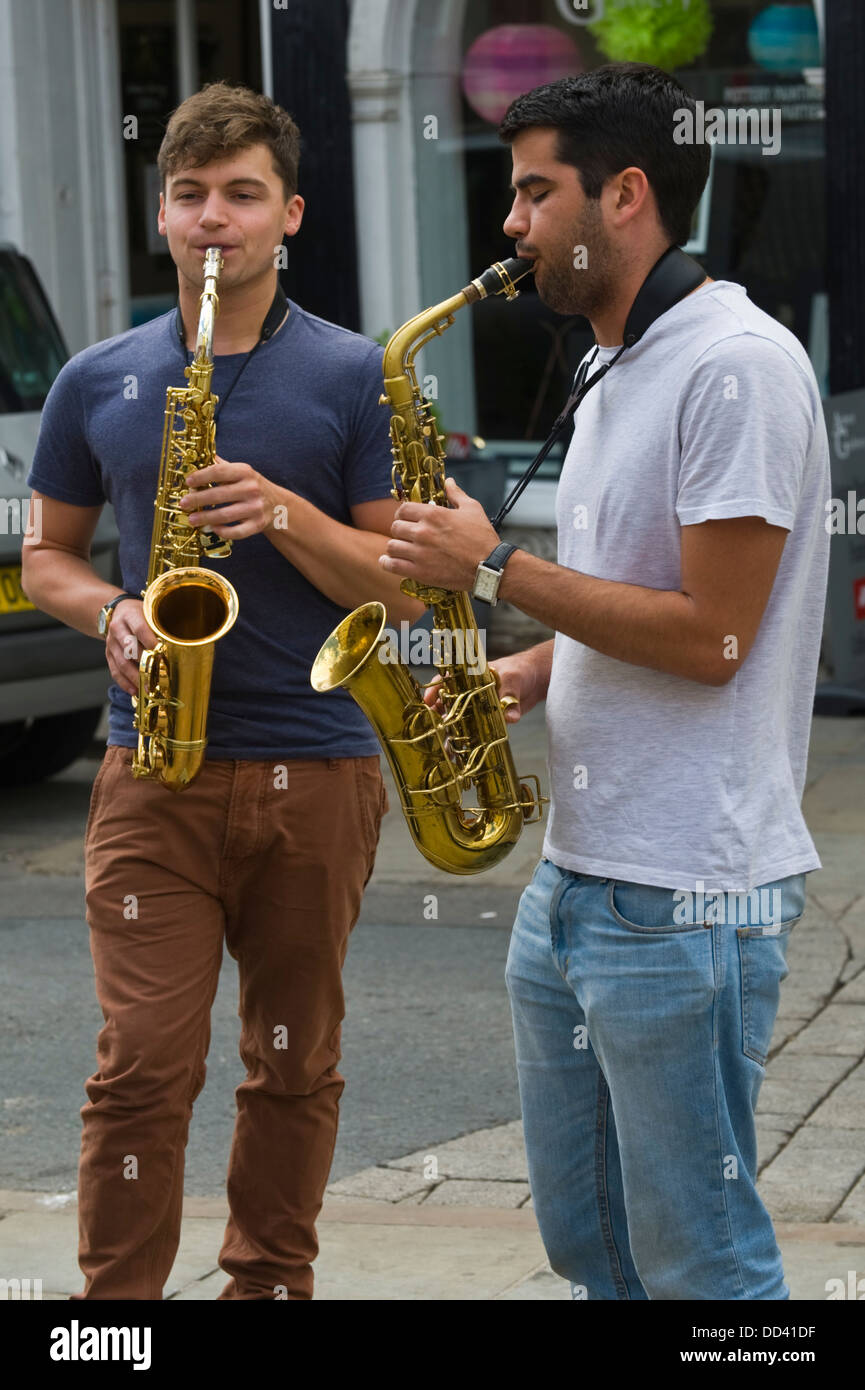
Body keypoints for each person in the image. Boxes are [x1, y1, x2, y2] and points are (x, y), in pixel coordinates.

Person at [380, 63, 830, 1300]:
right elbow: (641, 601)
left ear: (624, 195)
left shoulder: (733, 365)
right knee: (595, 1246)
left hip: (686, 891)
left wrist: (500, 566)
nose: (509, 226)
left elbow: (715, 638)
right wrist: (529, 671)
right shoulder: (619, 360)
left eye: (534, 194)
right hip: (582, 873)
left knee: (704, 1263)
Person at [22, 81, 422, 1301]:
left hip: (319, 762)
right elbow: (48, 555)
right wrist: (115, 609)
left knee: (292, 1065)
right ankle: (115, 1321)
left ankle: (267, 1288)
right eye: (190, 195)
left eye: (241, 195)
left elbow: (403, 588)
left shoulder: (360, 376)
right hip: (155, 768)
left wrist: (285, 512)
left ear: (288, 214)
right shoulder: (96, 378)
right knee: (140, 1064)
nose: (214, 220)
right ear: (160, 213)